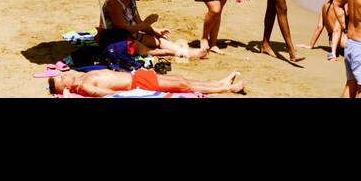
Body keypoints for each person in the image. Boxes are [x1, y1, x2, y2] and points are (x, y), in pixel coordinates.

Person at [48, 67, 245, 97]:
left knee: (182, 80)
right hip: (138, 85)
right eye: (61, 79)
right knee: (184, 86)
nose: (64, 75)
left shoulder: (80, 76)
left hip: (138, 76)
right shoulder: (84, 86)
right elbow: (108, 95)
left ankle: (220, 83)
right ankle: (226, 88)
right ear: (65, 87)